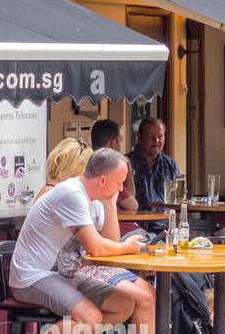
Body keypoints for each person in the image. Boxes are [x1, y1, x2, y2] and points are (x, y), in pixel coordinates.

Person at [9, 148, 179, 334]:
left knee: (124, 304)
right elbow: (97, 248)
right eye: (119, 183)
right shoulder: (71, 194)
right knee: (90, 316)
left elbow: (110, 242)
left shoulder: (93, 199)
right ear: (102, 180)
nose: (122, 189)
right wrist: (130, 247)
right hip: (33, 276)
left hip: (64, 274)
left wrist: (110, 205)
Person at [38, 138, 155, 322]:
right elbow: (92, 249)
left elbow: (111, 240)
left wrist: (109, 204)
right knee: (142, 298)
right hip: (69, 270)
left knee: (149, 292)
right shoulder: (56, 194)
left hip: (88, 265)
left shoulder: (88, 196)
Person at [126, 117, 182, 209]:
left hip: (164, 220)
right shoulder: (127, 162)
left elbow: (181, 195)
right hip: (135, 220)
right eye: (150, 136)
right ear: (139, 138)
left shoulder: (170, 165)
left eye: (160, 137)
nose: (156, 141)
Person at [90, 118, 139, 210]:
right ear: (114, 142)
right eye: (120, 141)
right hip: (116, 222)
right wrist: (129, 175)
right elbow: (133, 206)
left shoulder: (85, 163)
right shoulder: (107, 168)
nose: (120, 145)